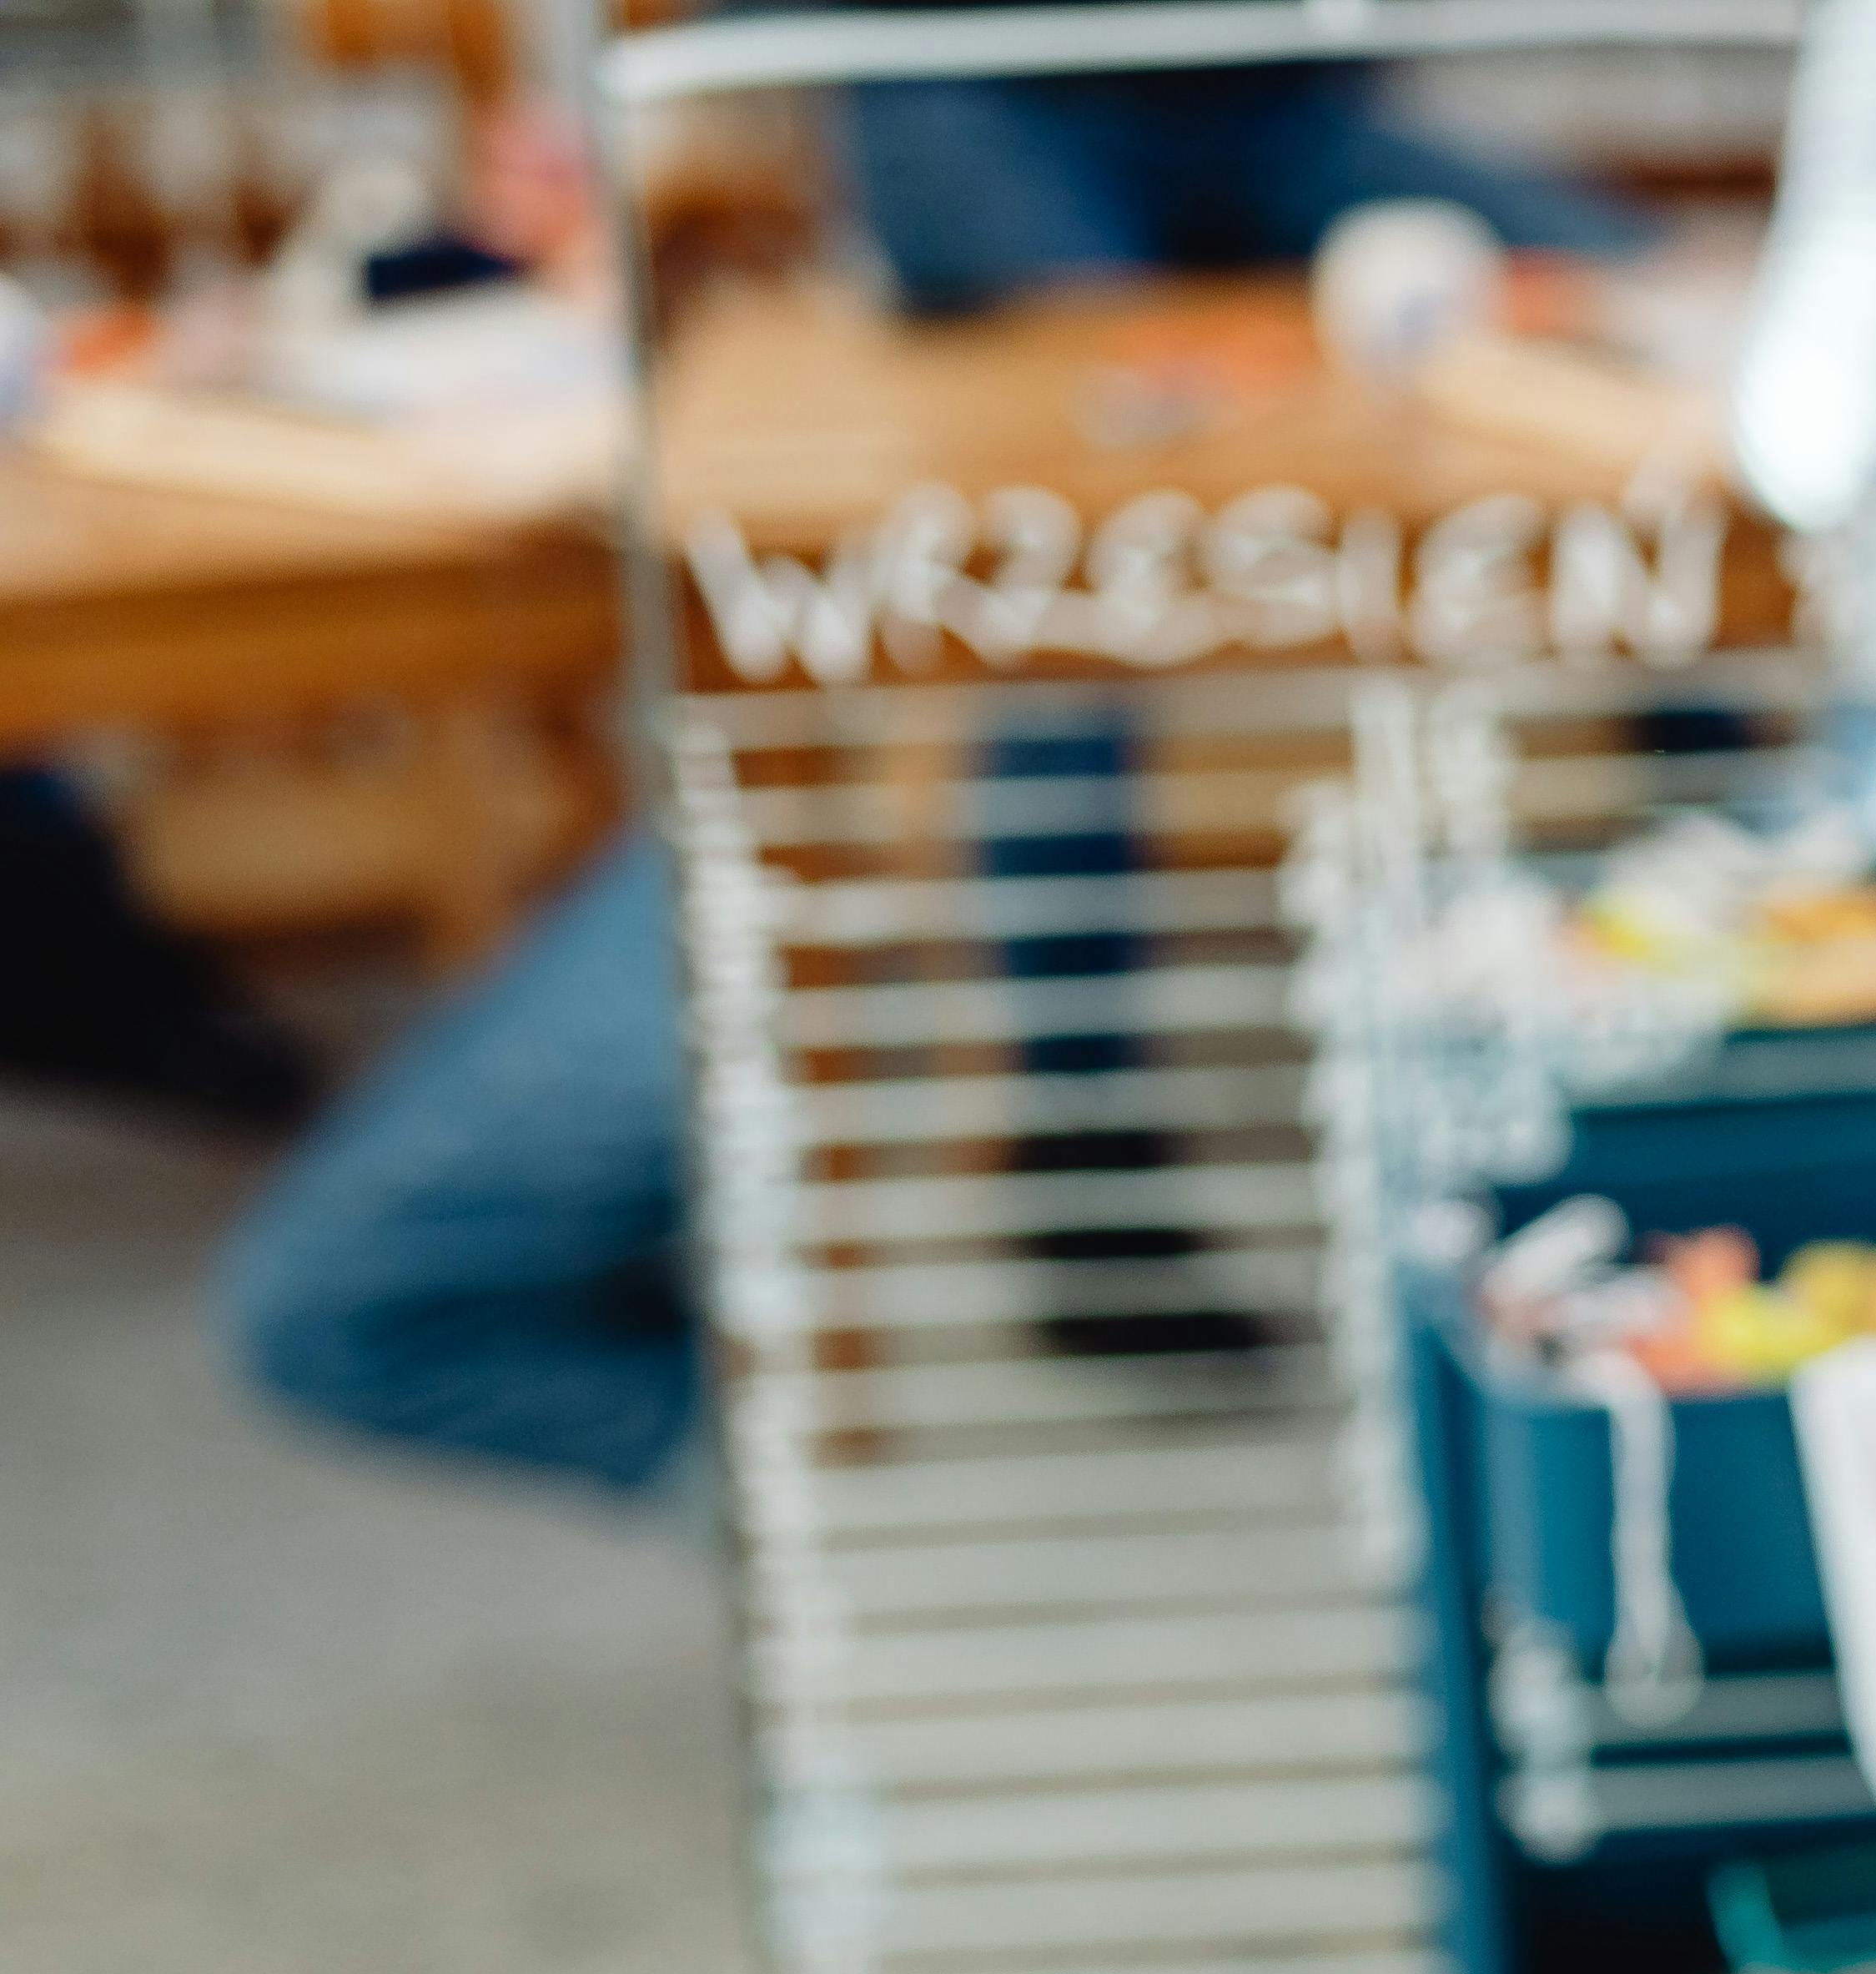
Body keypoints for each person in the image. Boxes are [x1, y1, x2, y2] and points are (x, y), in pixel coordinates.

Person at [208, 30, 1632, 1495]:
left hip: (1269, 78)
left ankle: (1681, 1064)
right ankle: (1079, 1155)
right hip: (976, 73)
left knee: (1652, 357)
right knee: (1055, 581)